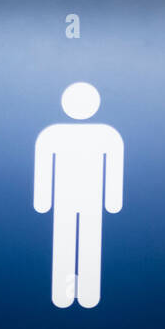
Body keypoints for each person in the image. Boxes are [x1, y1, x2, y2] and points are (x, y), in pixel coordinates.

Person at [33, 82, 124, 308]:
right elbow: (43, 168)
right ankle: (65, 295)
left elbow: (114, 168)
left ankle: (86, 293)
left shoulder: (106, 135)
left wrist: (42, 201)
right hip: (70, 199)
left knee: (86, 242)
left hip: (88, 199)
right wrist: (42, 200)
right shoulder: (53, 134)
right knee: (71, 241)